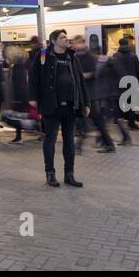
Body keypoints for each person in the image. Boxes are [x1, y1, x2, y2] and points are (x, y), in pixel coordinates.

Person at [28, 29, 88, 187]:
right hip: (51, 106)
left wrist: (85, 103)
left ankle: (69, 174)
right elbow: (33, 77)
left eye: (66, 36)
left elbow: (80, 81)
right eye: (62, 37)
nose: (66, 39)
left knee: (69, 141)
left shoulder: (72, 56)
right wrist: (33, 98)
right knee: (50, 140)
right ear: (54, 41)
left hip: (71, 106)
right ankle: (50, 173)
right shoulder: (42, 55)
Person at [74, 34, 114, 154]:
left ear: (82, 43)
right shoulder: (76, 56)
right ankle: (109, 145)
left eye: (76, 42)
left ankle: (78, 146)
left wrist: (79, 76)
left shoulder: (89, 56)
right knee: (94, 121)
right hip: (83, 94)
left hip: (90, 95)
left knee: (89, 121)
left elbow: (92, 73)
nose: (74, 45)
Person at [94, 45, 130, 146]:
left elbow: (122, 75)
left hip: (112, 94)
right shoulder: (102, 63)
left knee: (109, 117)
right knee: (110, 117)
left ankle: (104, 140)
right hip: (107, 94)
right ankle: (103, 139)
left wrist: (118, 89)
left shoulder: (110, 62)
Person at [3, 46, 35, 143]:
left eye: (9, 55)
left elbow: (20, 84)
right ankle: (19, 137)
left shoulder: (18, 67)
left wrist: (19, 98)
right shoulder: (19, 65)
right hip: (20, 96)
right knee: (19, 117)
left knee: (18, 118)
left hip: (20, 96)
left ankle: (32, 129)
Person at [111, 37, 139, 130]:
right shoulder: (133, 55)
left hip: (120, 83)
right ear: (127, 44)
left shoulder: (115, 55)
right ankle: (131, 123)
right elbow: (138, 69)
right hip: (132, 82)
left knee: (120, 102)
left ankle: (119, 121)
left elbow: (113, 70)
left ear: (119, 44)